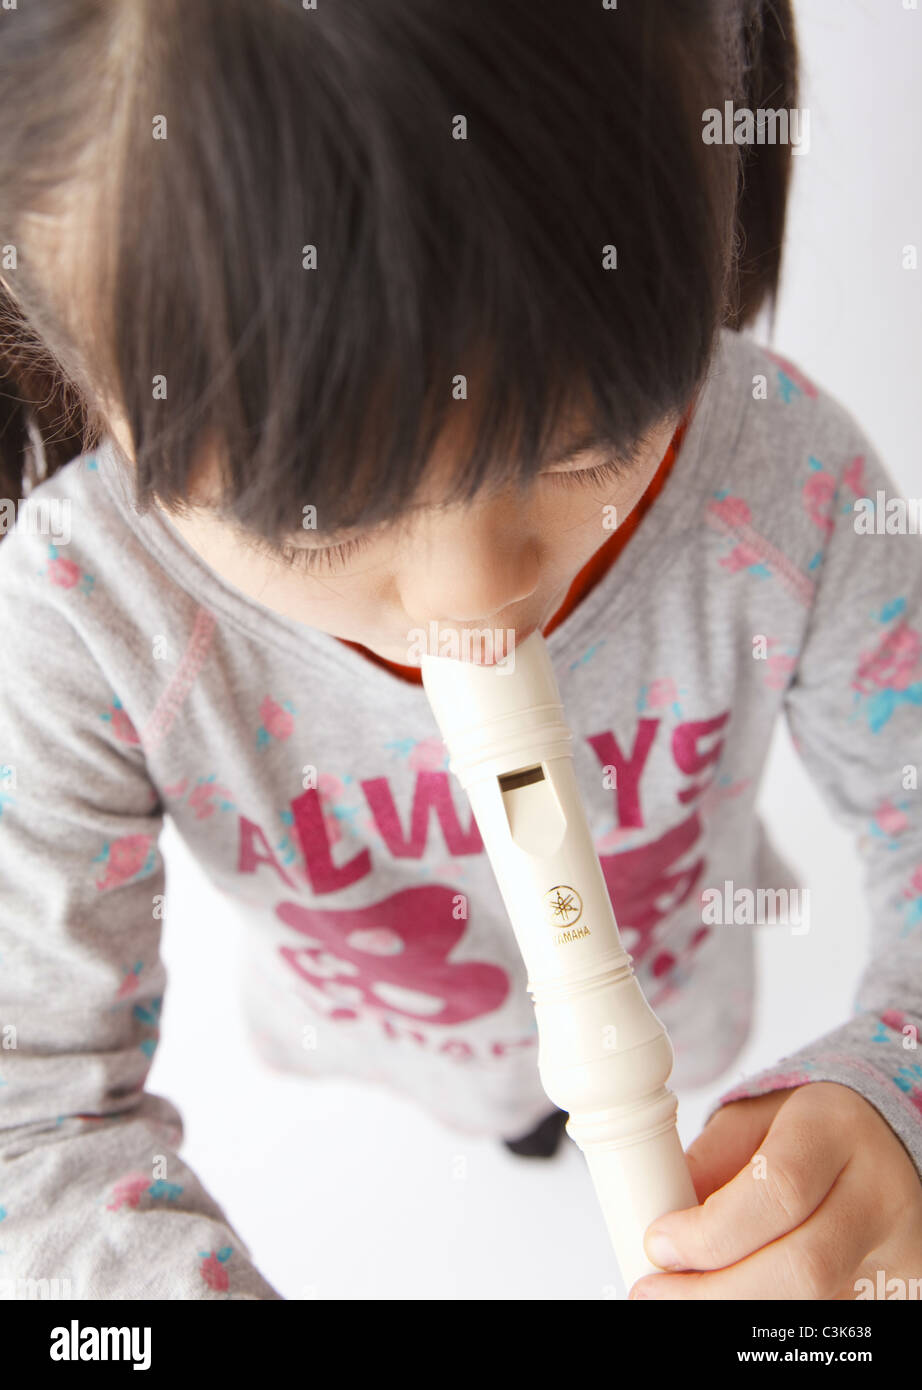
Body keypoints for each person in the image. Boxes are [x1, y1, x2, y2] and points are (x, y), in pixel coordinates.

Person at [0, 0, 919, 1300]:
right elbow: (28, 1124)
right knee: (511, 1112)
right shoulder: (83, 615)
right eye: (323, 520)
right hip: (379, 1039)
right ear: (79, 368)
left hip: (687, 995)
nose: (479, 599)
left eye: (586, 443)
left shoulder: (787, 483)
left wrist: (897, 1091)